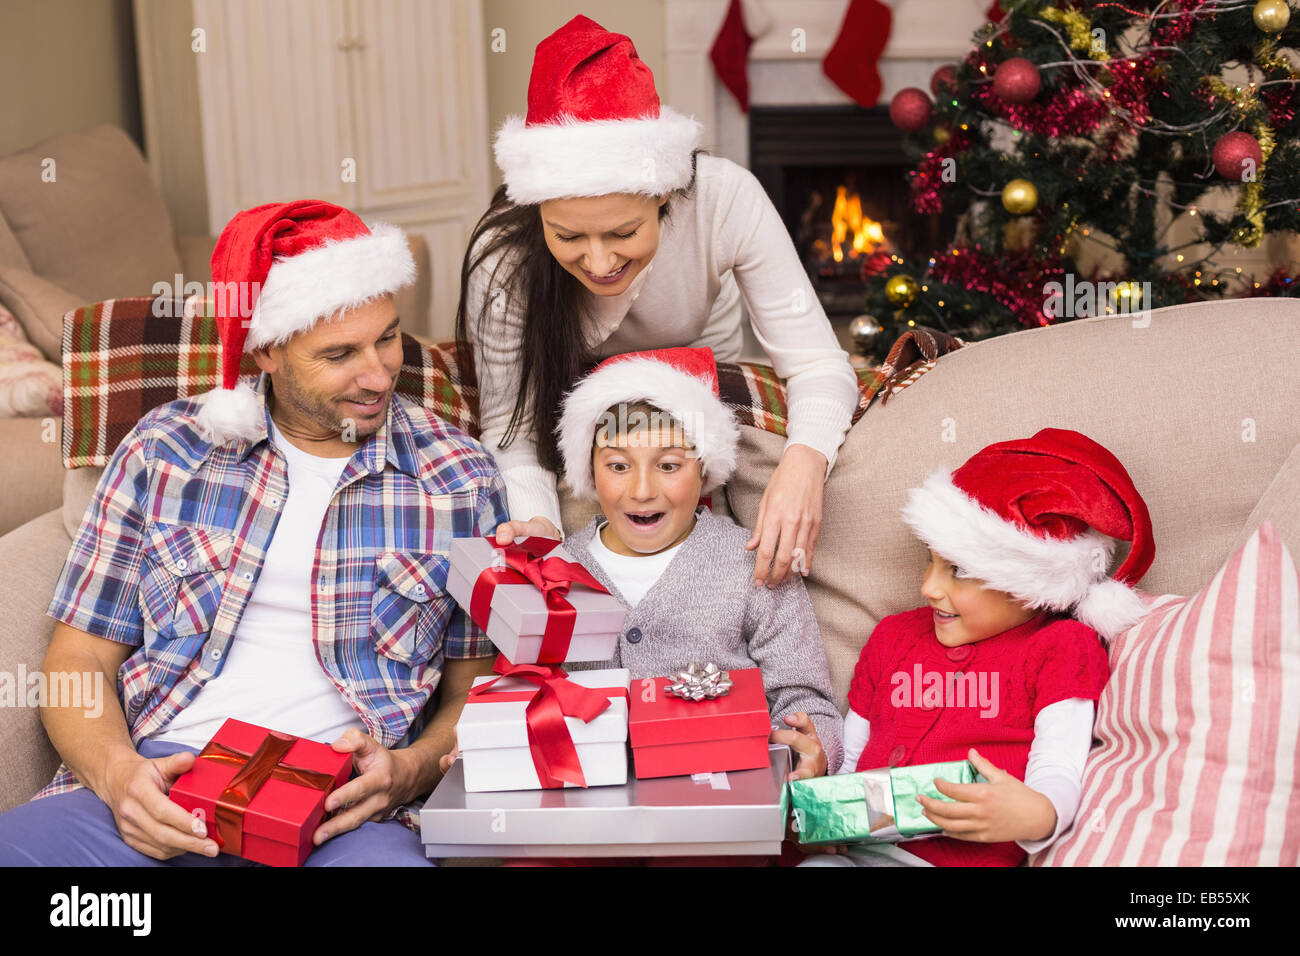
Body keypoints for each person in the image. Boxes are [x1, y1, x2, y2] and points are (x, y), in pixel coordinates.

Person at [0, 200, 509, 867]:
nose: (380, 373)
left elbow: (479, 685)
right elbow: (79, 661)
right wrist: (119, 777)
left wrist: (412, 770)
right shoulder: (166, 451)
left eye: (387, 337)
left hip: (343, 812)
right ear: (265, 349)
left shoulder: (459, 476)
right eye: (340, 354)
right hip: (163, 782)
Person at [459, 14, 861, 589]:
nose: (598, 263)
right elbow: (511, 428)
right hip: (578, 408)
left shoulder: (725, 197)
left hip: (703, 368)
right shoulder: (504, 255)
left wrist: (804, 465)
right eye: (568, 237)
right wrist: (539, 525)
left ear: (668, 195)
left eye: (623, 233)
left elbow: (819, 362)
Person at [801, 428, 1155, 867]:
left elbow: (1059, 767)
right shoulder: (894, 636)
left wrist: (1036, 815)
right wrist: (821, 799)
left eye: (958, 570)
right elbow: (855, 755)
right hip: (859, 850)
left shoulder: (1061, 646)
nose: (928, 587)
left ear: (1026, 585)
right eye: (929, 560)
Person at [554, 346, 843, 778]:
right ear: (589, 471)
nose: (642, 489)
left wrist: (815, 747)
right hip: (589, 811)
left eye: (669, 465)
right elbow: (522, 692)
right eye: (617, 465)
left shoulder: (753, 563)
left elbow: (804, 698)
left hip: (720, 803)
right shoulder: (557, 569)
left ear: (705, 470)